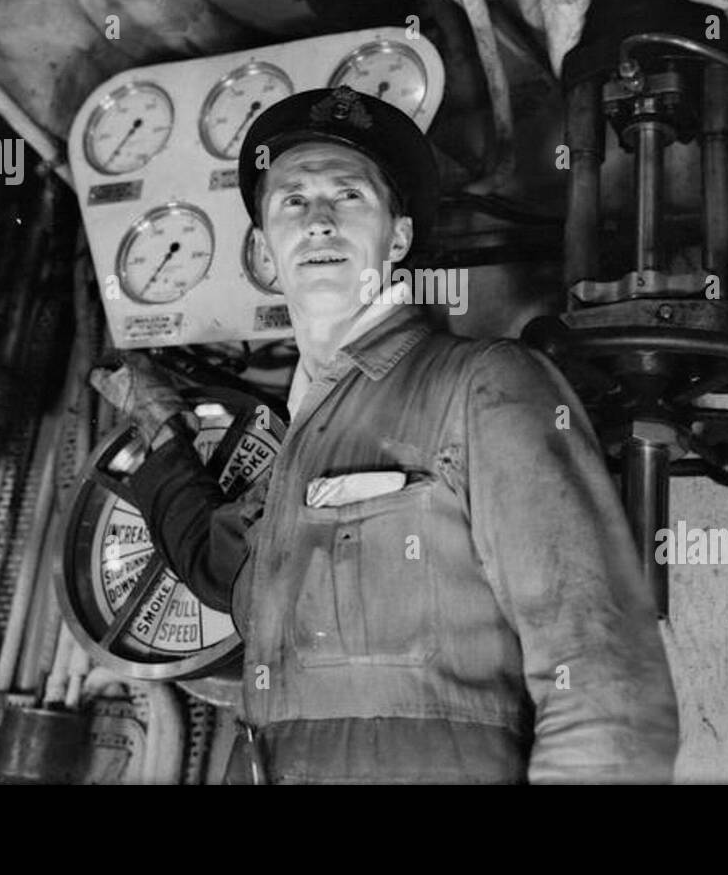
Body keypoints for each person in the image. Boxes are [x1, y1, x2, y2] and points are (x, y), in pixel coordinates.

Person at [91, 85, 679, 784]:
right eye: (292, 201)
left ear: (395, 239)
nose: (318, 221)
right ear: (262, 253)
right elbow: (221, 574)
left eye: (349, 197)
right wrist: (161, 428)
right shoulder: (294, 460)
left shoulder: (484, 385)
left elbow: (604, 668)